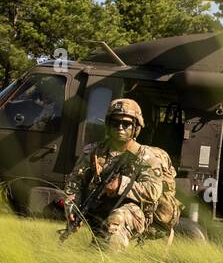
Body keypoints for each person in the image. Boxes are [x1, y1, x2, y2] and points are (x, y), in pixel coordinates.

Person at [63, 98, 179, 251]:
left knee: (115, 226)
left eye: (126, 124)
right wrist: (72, 208)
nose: (120, 128)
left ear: (136, 127)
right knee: (95, 252)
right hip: (99, 210)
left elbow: (153, 190)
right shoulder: (94, 152)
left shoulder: (146, 156)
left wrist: (121, 184)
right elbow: (74, 182)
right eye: (115, 123)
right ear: (108, 124)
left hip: (133, 211)